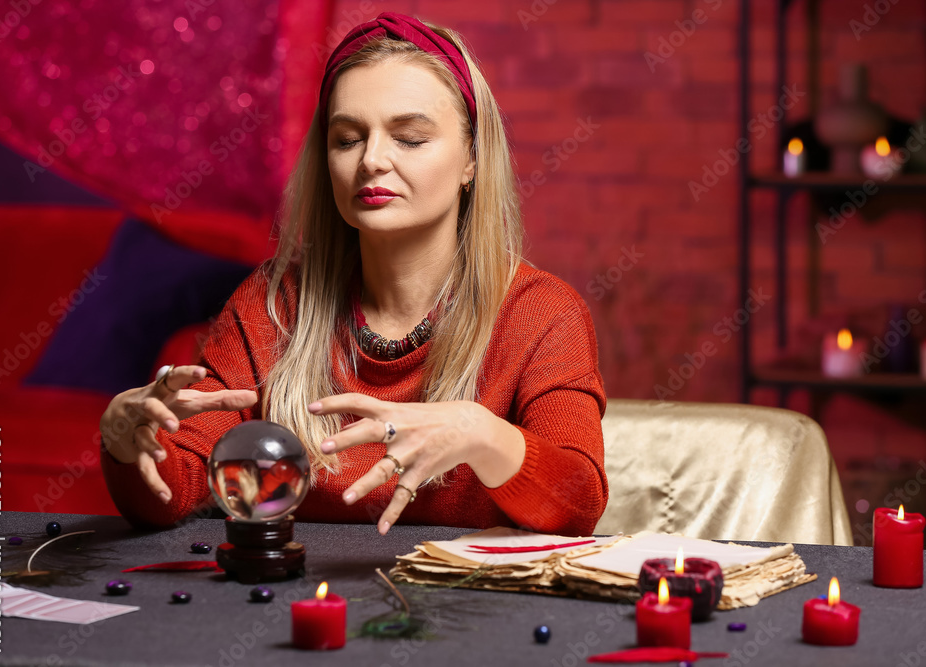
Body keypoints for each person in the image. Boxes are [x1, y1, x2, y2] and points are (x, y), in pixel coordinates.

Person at [100, 12, 607, 537]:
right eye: (347, 139)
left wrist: (479, 431)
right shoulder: (273, 302)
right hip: (300, 589)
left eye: (410, 138)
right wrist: (128, 445)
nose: (372, 161)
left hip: (469, 591)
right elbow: (173, 493)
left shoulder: (543, 313)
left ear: (471, 161)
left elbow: (577, 506)